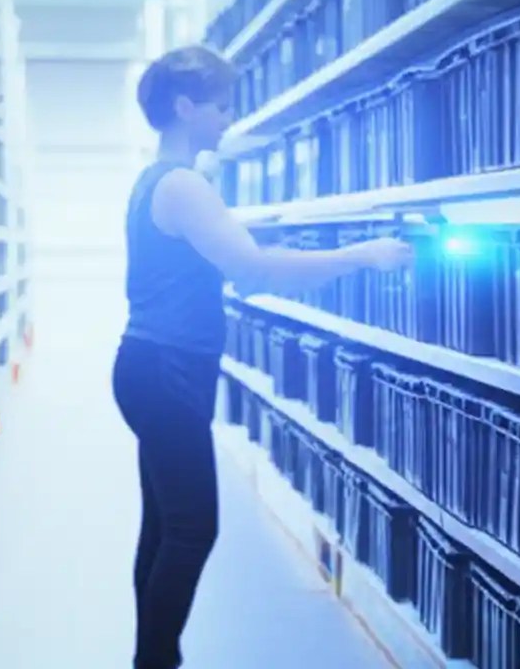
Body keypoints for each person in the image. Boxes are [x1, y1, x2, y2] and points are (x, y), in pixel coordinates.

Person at [111, 45, 413, 669]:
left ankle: (151, 659)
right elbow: (254, 271)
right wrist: (362, 254)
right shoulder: (184, 185)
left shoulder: (158, 181)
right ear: (184, 106)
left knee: (165, 526)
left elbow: (223, 261)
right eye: (220, 106)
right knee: (193, 529)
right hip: (166, 374)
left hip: (154, 368)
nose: (227, 119)